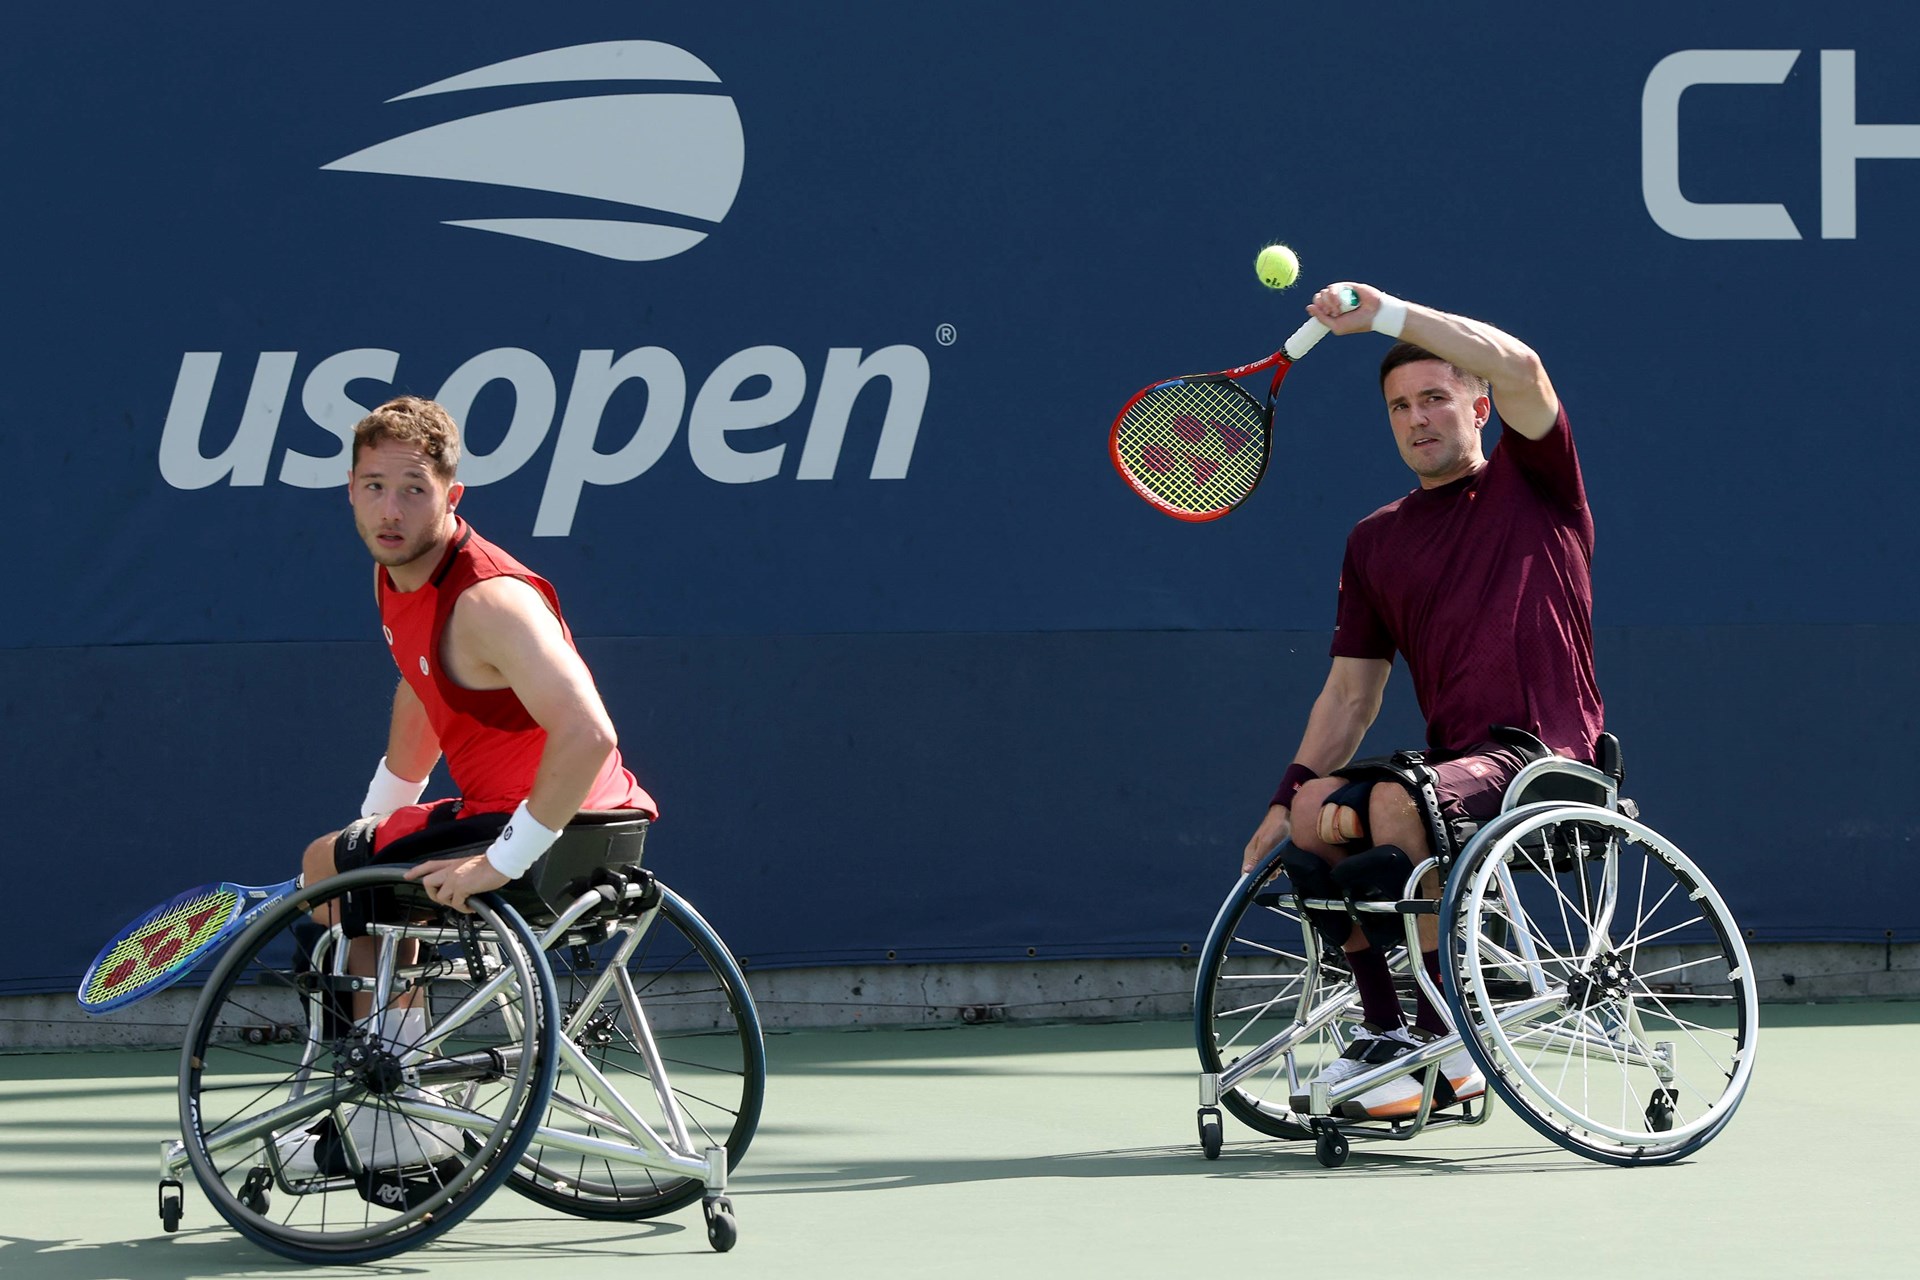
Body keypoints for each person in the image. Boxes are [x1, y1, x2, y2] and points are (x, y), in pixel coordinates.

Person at [1240, 282, 1603, 1120]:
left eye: (1436, 397)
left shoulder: (1536, 483)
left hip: (1548, 760)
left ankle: (1450, 1038)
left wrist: (1386, 317)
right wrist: (1285, 794)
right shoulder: (1375, 541)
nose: (1417, 419)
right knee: (1316, 813)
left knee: (1401, 803)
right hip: (1453, 770)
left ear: (1480, 407)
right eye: (1400, 406)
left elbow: (1524, 366)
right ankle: (1386, 1033)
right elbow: (1350, 694)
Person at [282, 394, 656, 1173]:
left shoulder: (488, 599)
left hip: (549, 827)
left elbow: (590, 734)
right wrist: (372, 831)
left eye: (413, 490)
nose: (391, 510)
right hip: (574, 820)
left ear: (451, 496)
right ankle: (392, 1096)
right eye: (375, 487)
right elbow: (423, 690)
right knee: (348, 867)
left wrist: (501, 860)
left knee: (327, 870)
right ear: (350, 489)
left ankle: (390, 1129)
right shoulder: (398, 576)